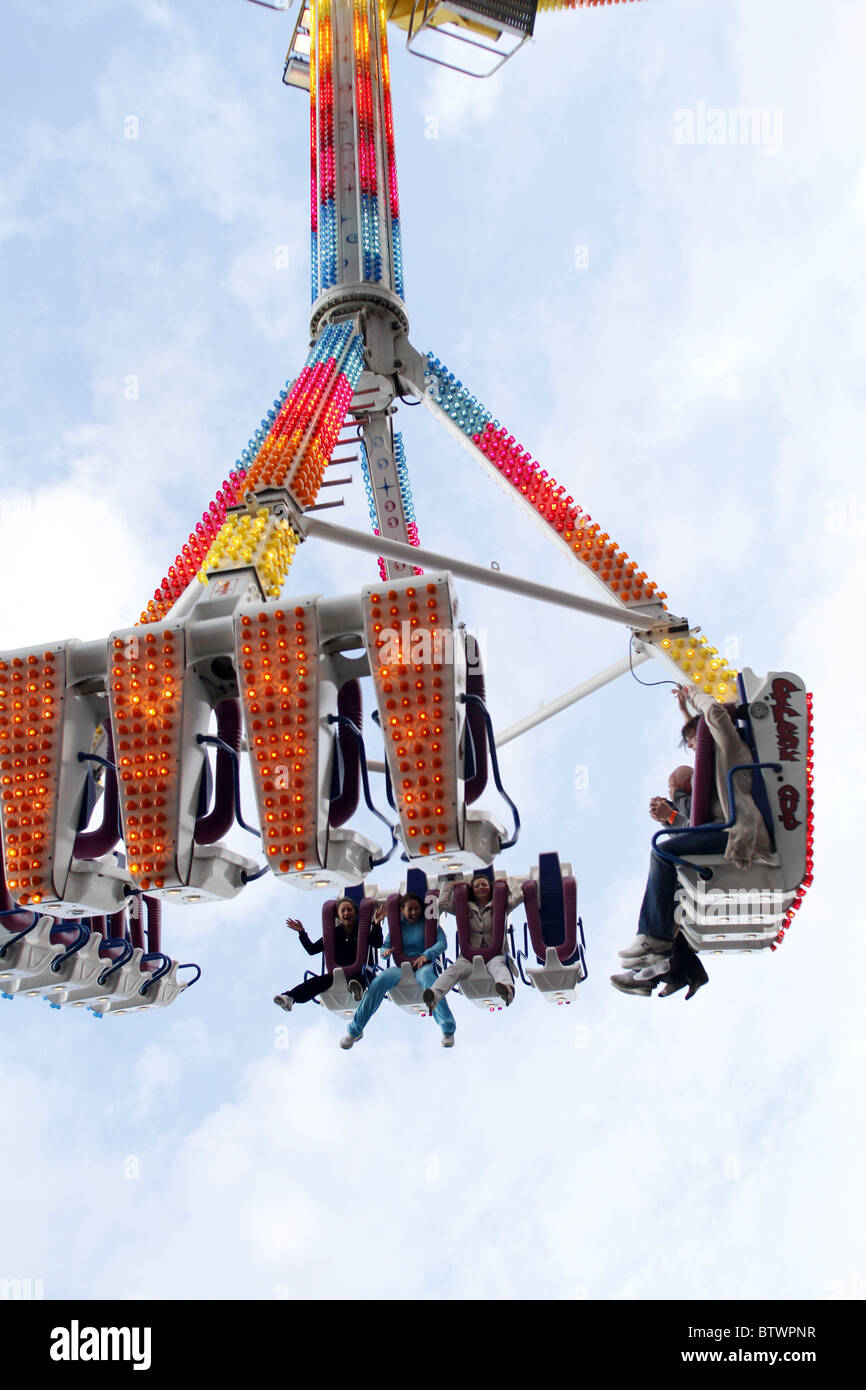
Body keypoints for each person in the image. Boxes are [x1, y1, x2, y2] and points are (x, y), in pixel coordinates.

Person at [616, 683, 774, 971]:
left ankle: (654, 937)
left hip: (736, 833)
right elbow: (697, 730)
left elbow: (712, 714)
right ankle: (665, 963)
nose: (692, 746)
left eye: (693, 740)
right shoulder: (712, 778)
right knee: (674, 874)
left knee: (663, 852)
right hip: (722, 832)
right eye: (688, 743)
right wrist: (684, 708)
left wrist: (694, 695)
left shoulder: (730, 749)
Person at [340, 892, 456, 1050]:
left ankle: (447, 1029)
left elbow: (442, 944)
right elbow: (385, 946)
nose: (414, 912)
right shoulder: (398, 928)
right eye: (410, 909)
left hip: (423, 966)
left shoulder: (430, 925)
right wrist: (385, 952)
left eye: (416, 909)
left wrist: (426, 955)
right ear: (402, 910)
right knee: (379, 981)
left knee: (430, 980)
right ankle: (354, 1030)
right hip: (401, 968)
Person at [423, 872, 522, 1012]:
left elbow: (518, 897)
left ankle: (507, 990)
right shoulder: (465, 908)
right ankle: (433, 996)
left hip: (494, 954)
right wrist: (451, 884)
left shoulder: (500, 906)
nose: (481, 888)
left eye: (484, 885)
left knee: (499, 967)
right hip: (468, 957)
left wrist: (509, 880)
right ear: (472, 890)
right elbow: (443, 903)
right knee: (453, 970)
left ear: (490, 887)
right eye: (476, 886)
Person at [274, 897, 385, 1011]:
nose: (346, 913)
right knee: (316, 982)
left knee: (357, 978)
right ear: (339, 915)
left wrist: (376, 924)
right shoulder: (333, 934)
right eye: (343, 911)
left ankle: (356, 989)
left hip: (360, 973)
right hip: (338, 974)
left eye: (349, 910)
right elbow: (312, 950)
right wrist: (302, 933)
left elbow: (377, 943)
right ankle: (290, 998)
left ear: (355, 912)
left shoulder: (362, 930)